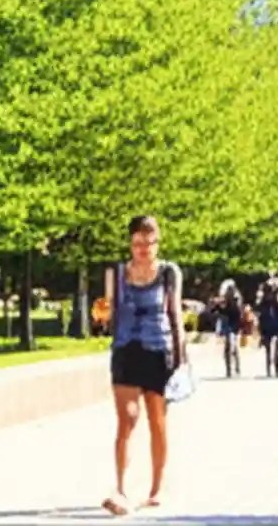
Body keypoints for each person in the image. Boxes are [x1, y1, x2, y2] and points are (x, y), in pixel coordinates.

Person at [102, 215, 186, 516]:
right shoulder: (116, 272)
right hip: (125, 348)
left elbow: (175, 314)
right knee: (127, 419)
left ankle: (156, 488)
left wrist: (181, 358)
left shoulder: (168, 272)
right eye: (138, 243)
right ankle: (121, 488)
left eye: (149, 243)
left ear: (157, 243)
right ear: (130, 243)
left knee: (157, 421)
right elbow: (108, 313)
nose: (144, 249)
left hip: (158, 349)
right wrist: (101, 317)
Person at [258, 279, 278, 378]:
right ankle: (270, 365)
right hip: (268, 324)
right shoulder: (264, 298)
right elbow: (259, 308)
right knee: (268, 344)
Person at [217, 280, 243, 378]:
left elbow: (238, 313)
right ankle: (229, 368)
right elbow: (220, 311)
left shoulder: (237, 300)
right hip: (227, 324)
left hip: (234, 324)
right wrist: (219, 305)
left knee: (234, 346)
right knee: (228, 345)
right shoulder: (225, 301)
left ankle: (236, 366)